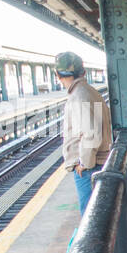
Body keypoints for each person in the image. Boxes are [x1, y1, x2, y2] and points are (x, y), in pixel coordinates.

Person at [55, 51, 111, 217]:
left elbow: (90, 133)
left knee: (89, 217)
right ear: (83, 72)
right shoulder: (88, 91)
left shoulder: (79, 96)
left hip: (89, 167)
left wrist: (84, 163)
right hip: (96, 162)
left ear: (58, 75)